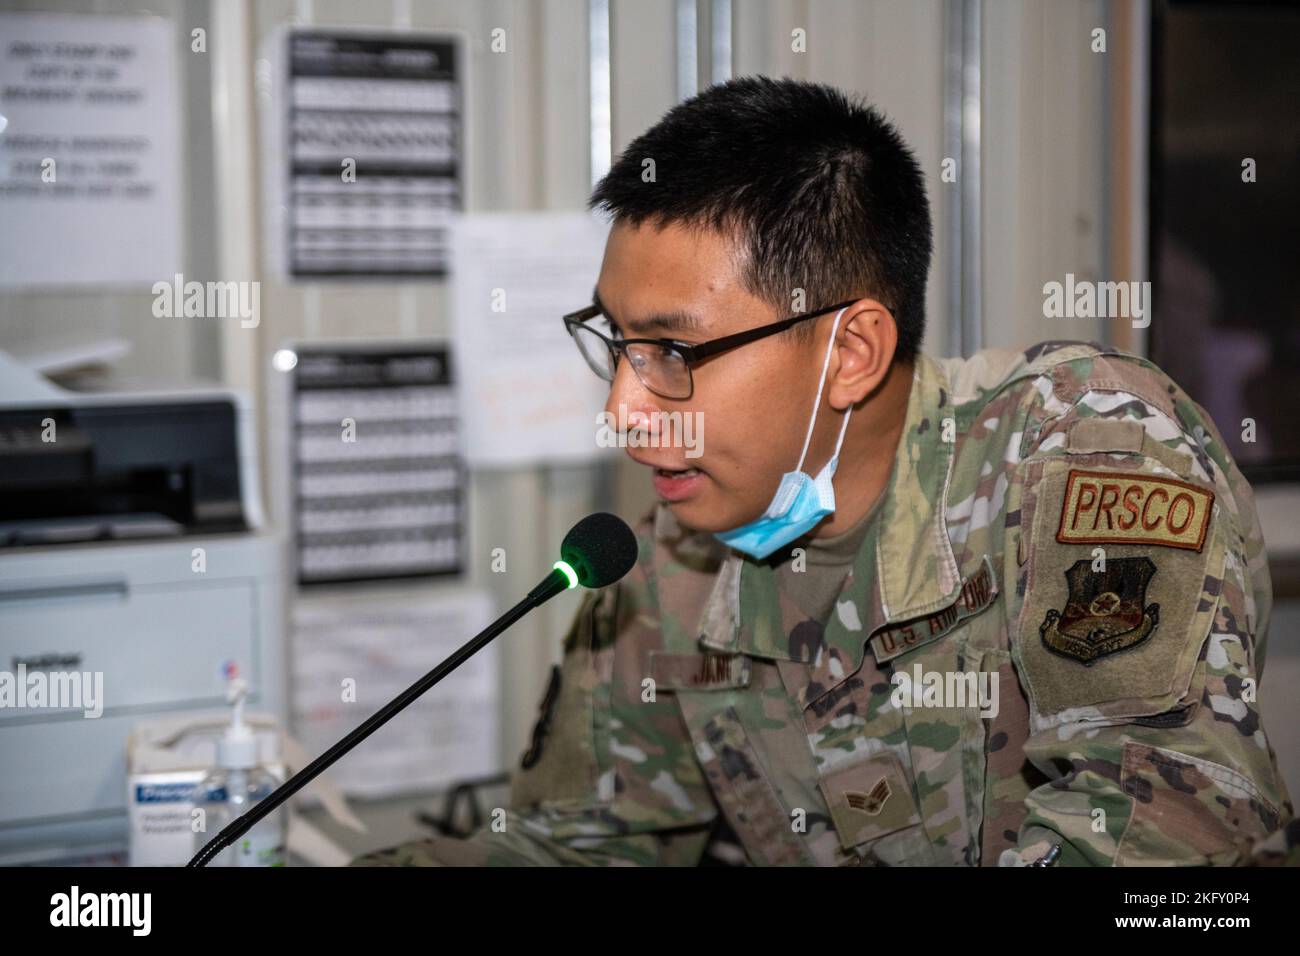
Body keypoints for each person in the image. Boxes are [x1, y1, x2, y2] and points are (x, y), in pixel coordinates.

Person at [352, 77, 1292, 866]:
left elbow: (1176, 827)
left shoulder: (1083, 446)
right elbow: (576, 847)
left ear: (849, 352)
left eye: (673, 353)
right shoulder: (671, 558)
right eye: (616, 343)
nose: (621, 415)